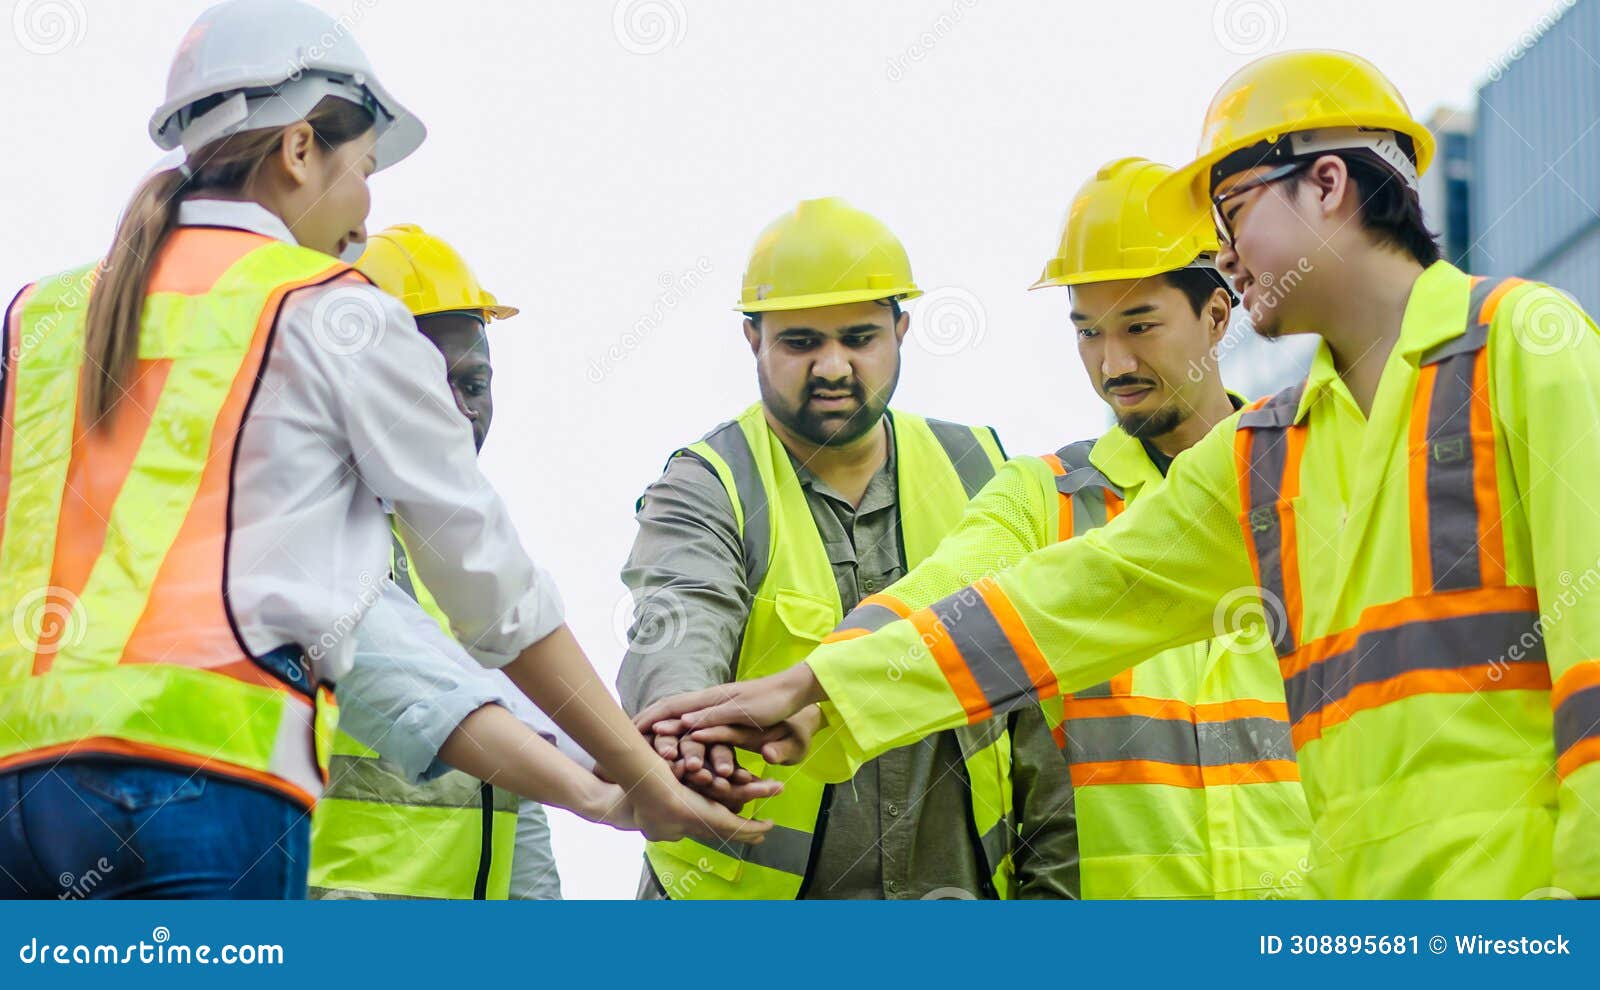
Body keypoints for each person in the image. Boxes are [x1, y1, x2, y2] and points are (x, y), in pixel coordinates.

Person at [638, 50, 1600, 899]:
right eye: (1088, 330)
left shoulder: (1522, 344)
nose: (1226, 254)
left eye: (1233, 212)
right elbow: (1067, 596)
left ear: (1330, 185)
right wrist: (817, 687)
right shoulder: (1273, 451)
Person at [0, 0, 765, 900]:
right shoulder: (329, 307)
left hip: (20, 794)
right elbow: (495, 594)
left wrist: (594, 785)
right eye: (363, 171)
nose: (365, 216)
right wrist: (637, 775)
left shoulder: (40, 314)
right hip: (206, 787)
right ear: (297, 151)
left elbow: (388, 646)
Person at [800, 158, 1311, 898]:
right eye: (1088, 333)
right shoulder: (1047, 498)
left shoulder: (1305, 482)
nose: (1114, 363)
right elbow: (943, 590)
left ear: (1217, 315)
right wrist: (810, 686)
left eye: (1140, 325)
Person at [619, 198, 1077, 899]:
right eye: (801, 342)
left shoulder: (979, 468)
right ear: (752, 340)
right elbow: (680, 621)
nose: (833, 367)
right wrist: (688, 730)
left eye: (859, 338)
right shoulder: (710, 484)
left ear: (901, 330)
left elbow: (1038, 710)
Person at [310, 225, 600, 900]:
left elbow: (514, 795)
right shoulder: (307, 548)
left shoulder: (477, 562)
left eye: (475, 382)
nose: (461, 409)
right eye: (428, 385)